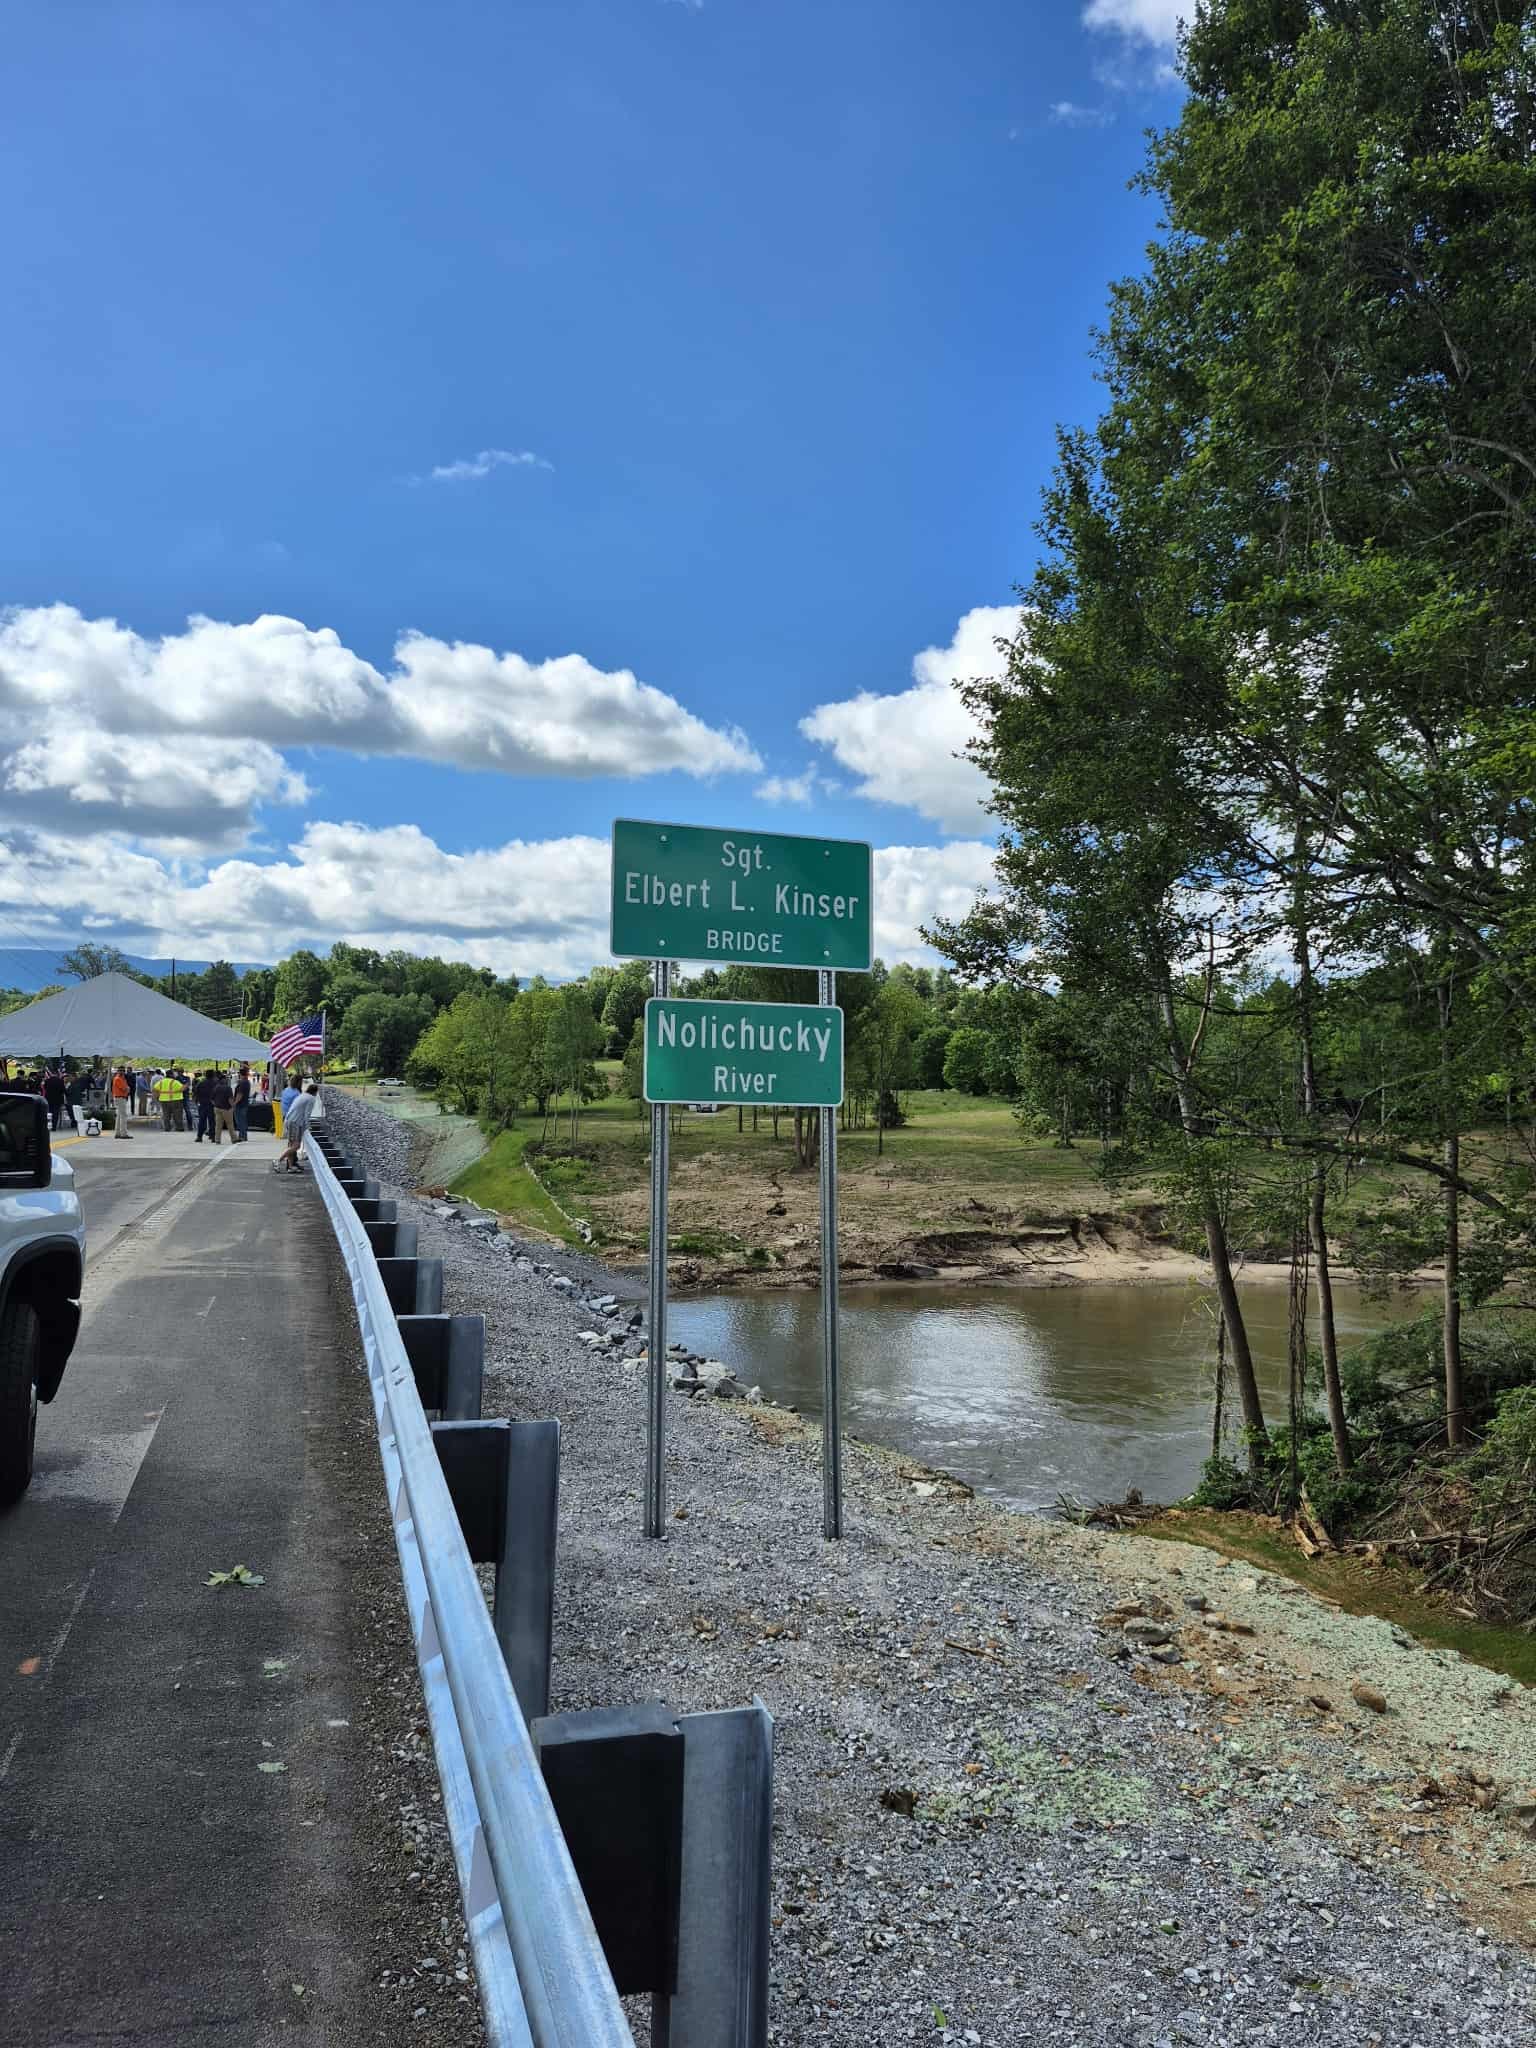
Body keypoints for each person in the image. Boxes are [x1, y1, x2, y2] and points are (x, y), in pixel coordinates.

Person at [272, 1080, 319, 1173]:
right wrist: (308, 1126)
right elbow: (307, 1114)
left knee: (291, 1145)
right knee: (296, 1146)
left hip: (289, 1120)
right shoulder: (311, 1099)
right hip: (296, 1123)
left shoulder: (302, 1096)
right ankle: (278, 1160)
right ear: (315, 1092)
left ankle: (290, 1167)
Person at [210, 1071, 236, 1145]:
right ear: (224, 1080)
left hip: (217, 1108)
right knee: (230, 1124)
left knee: (218, 1125)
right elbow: (230, 1099)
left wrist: (216, 1105)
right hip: (226, 1108)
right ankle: (234, 1139)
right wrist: (233, 1106)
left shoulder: (216, 1087)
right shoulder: (228, 1088)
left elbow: (212, 1099)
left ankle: (217, 1139)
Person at [192, 1069, 217, 1143]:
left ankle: (199, 1137)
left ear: (205, 1075)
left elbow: (195, 1093)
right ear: (213, 1075)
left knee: (202, 1121)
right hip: (213, 1104)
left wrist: (196, 1102)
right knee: (212, 1121)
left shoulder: (201, 1083)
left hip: (202, 1104)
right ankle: (213, 1137)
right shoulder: (216, 1083)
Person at [111, 1064, 133, 1140]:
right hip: (120, 1098)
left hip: (120, 1098)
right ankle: (123, 1134)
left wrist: (127, 1088)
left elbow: (127, 1088)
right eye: (120, 1070)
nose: (122, 1072)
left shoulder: (122, 1078)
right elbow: (125, 1088)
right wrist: (127, 1089)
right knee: (123, 1116)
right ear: (118, 1071)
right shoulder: (118, 1079)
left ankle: (118, 1133)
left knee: (119, 1116)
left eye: (123, 1070)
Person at [42, 1067, 68, 1131]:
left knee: (49, 1112)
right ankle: (54, 1126)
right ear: (56, 1074)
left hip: (49, 1099)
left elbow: (44, 1088)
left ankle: (48, 1126)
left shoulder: (47, 1081)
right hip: (58, 1099)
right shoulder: (60, 1081)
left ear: (51, 1074)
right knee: (56, 1113)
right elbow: (63, 1090)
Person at [233, 1065, 251, 1143]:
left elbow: (240, 1094)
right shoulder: (247, 1082)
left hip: (240, 1105)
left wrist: (234, 1103)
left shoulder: (242, 1083)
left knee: (240, 1121)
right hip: (244, 1104)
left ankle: (242, 1136)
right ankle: (243, 1136)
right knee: (242, 1120)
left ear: (240, 1074)